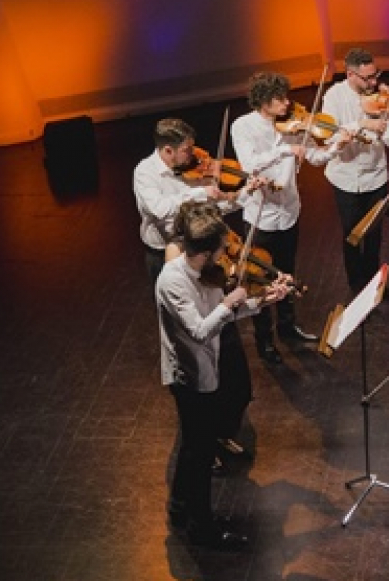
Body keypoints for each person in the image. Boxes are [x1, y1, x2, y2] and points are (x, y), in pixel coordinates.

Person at [155, 202, 291, 549]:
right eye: (221, 248)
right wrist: (230, 301)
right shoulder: (172, 282)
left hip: (208, 367)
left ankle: (179, 507)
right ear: (204, 251)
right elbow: (201, 330)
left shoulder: (208, 272)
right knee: (199, 455)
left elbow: (225, 317)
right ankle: (202, 528)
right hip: (189, 376)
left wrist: (263, 300)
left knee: (194, 446)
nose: (225, 253)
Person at [312, 48, 389, 293]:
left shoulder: (383, 98)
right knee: (351, 234)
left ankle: (373, 286)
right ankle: (355, 287)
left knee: (374, 235)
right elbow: (329, 132)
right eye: (367, 78)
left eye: (375, 75)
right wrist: (361, 123)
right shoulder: (334, 95)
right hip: (345, 178)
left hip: (376, 177)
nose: (374, 82)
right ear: (350, 74)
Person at [231, 71, 321, 363]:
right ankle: (264, 340)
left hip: (289, 212)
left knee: (287, 272)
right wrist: (284, 149)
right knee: (260, 280)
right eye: (280, 99)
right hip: (262, 217)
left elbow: (315, 156)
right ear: (263, 102)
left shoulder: (291, 125)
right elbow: (249, 163)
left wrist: (336, 145)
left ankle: (288, 327)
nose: (287, 104)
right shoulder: (243, 126)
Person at [134, 118, 241, 282]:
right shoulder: (144, 173)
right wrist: (200, 193)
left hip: (197, 247)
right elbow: (160, 209)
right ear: (168, 150)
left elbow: (209, 208)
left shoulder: (191, 169)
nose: (194, 154)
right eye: (187, 149)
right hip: (162, 252)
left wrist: (241, 196)